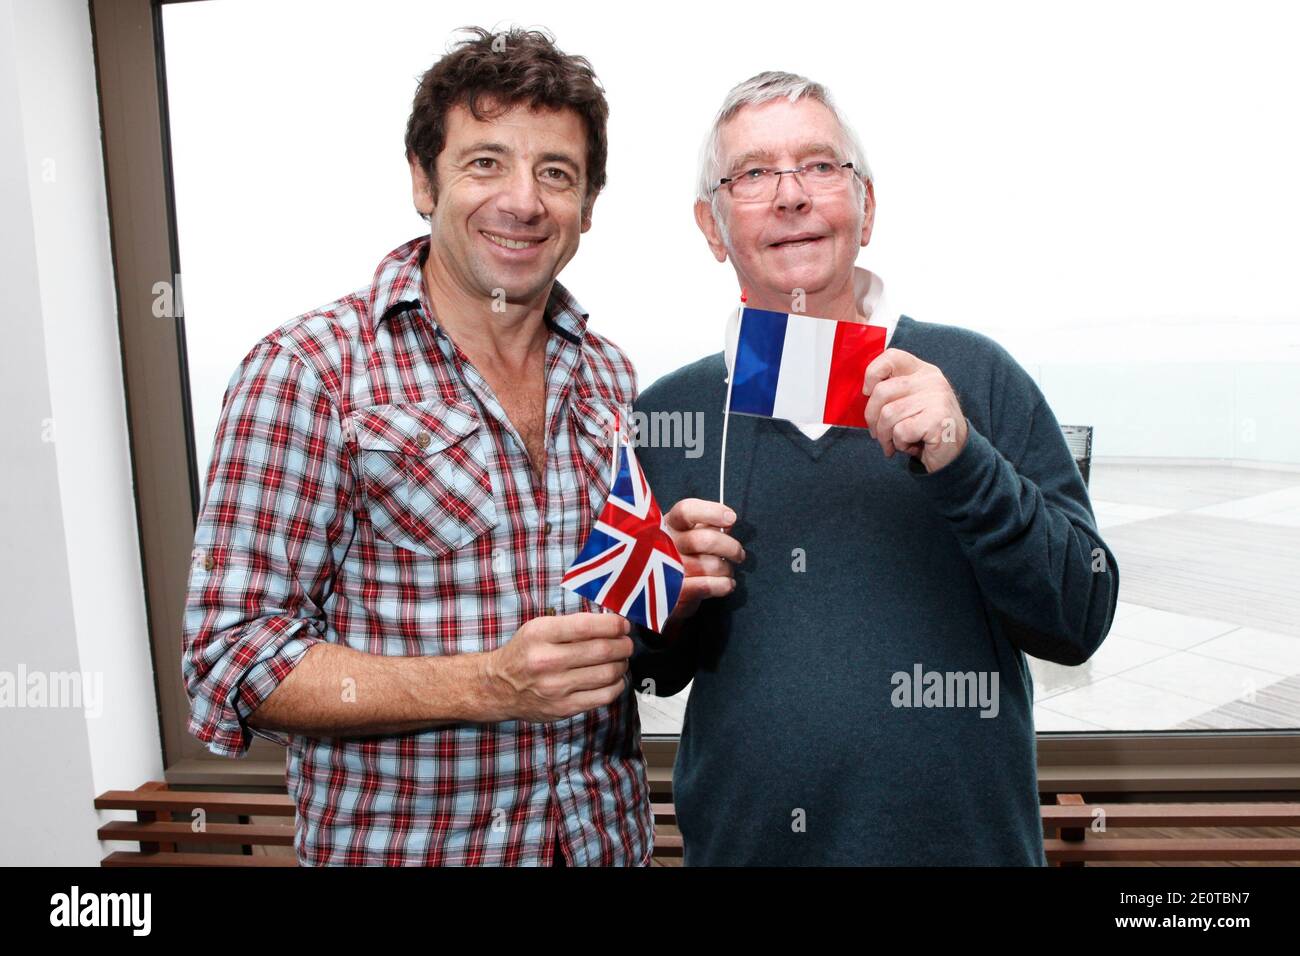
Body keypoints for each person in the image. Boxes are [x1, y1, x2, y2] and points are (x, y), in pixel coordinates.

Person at [182, 27, 651, 866]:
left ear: (588, 205)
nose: (523, 200)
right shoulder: (310, 369)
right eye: (485, 163)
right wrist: (487, 686)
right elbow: (233, 657)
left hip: (602, 845)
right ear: (421, 179)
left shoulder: (609, 376)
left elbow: (609, 613)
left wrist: (670, 586)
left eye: (557, 173)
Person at [632, 71, 1120, 865]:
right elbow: (633, 668)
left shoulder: (980, 373)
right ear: (712, 226)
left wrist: (968, 462)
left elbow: (1080, 619)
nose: (791, 195)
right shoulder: (662, 414)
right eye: (754, 174)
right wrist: (664, 601)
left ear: (867, 206)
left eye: (820, 166)